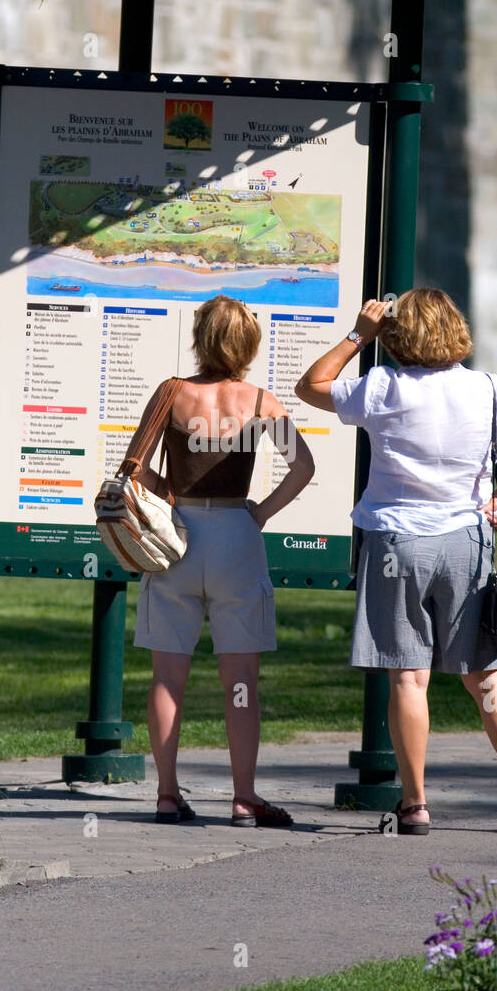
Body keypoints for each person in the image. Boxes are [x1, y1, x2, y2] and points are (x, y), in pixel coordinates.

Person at [295, 288, 497, 835]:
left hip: (396, 542)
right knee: (487, 677)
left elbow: (311, 387)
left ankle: (415, 804)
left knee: (409, 679)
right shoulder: (489, 389)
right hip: (466, 543)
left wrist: (358, 334)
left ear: (398, 338)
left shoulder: (382, 386)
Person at [134, 295, 315, 827]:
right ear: (249, 343)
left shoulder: (172, 393)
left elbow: (136, 467)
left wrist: (170, 497)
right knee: (240, 679)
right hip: (237, 536)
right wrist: (259, 513)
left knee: (168, 676)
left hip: (179, 537)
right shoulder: (260, 401)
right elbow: (302, 467)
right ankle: (242, 797)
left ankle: (167, 794)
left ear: (200, 338)